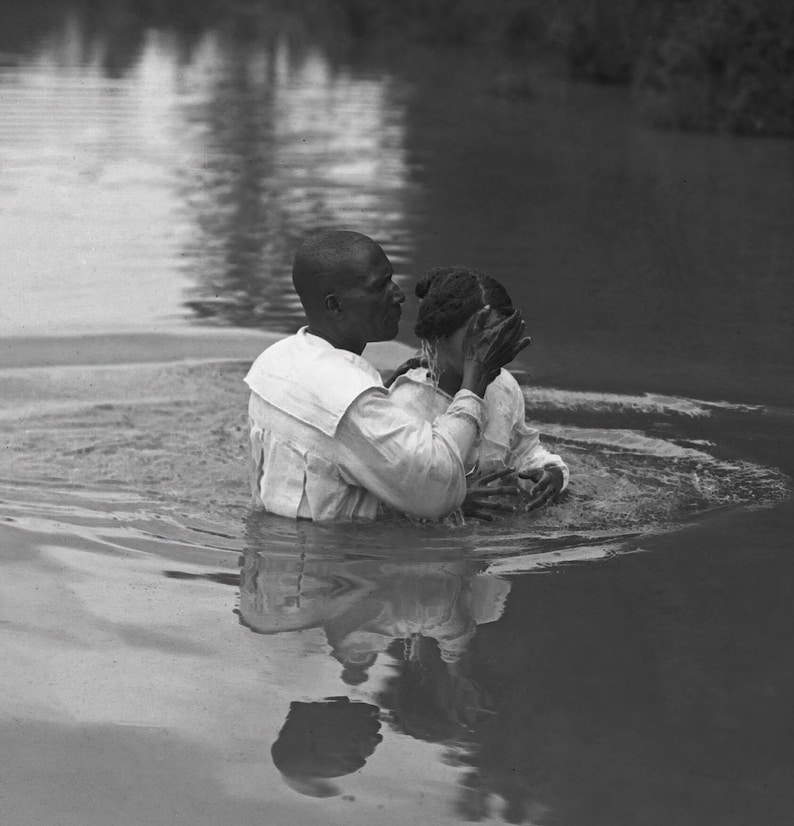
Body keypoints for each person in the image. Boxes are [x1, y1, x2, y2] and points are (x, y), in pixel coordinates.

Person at [244, 231, 528, 521]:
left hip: (273, 552)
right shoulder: (352, 400)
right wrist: (475, 380)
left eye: (391, 280)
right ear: (334, 305)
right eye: (380, 286)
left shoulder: (276, 361)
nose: (398, 294)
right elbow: (437, 488)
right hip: (339, 560)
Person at [387, 266, 568, 513]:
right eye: (477, 336)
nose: (489, 347)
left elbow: (522, 450)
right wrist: (452, 503)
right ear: (440, 334)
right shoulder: (407, 403)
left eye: (496, 335)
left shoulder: (503, 384)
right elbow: (392, 496)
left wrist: (551, 472)